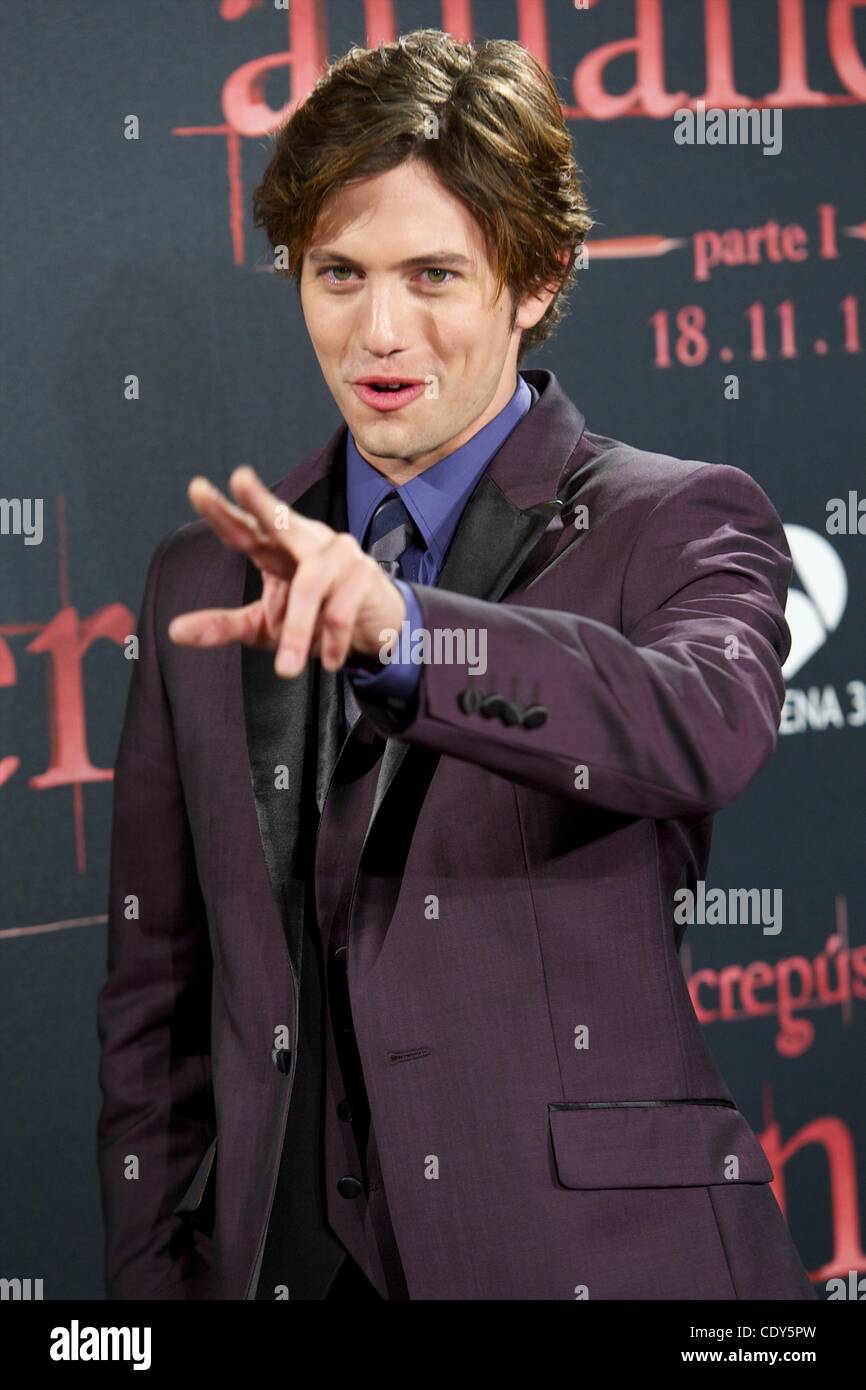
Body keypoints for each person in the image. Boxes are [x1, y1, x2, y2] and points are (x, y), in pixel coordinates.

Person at [96, 28, 816, 1301]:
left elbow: (700, 721)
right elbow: (156, 993)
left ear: (535, 278)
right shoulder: (200, 578)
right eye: (337, 273)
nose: (379, 330)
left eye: (434, 273)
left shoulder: (678, 518)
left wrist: (408, 632)